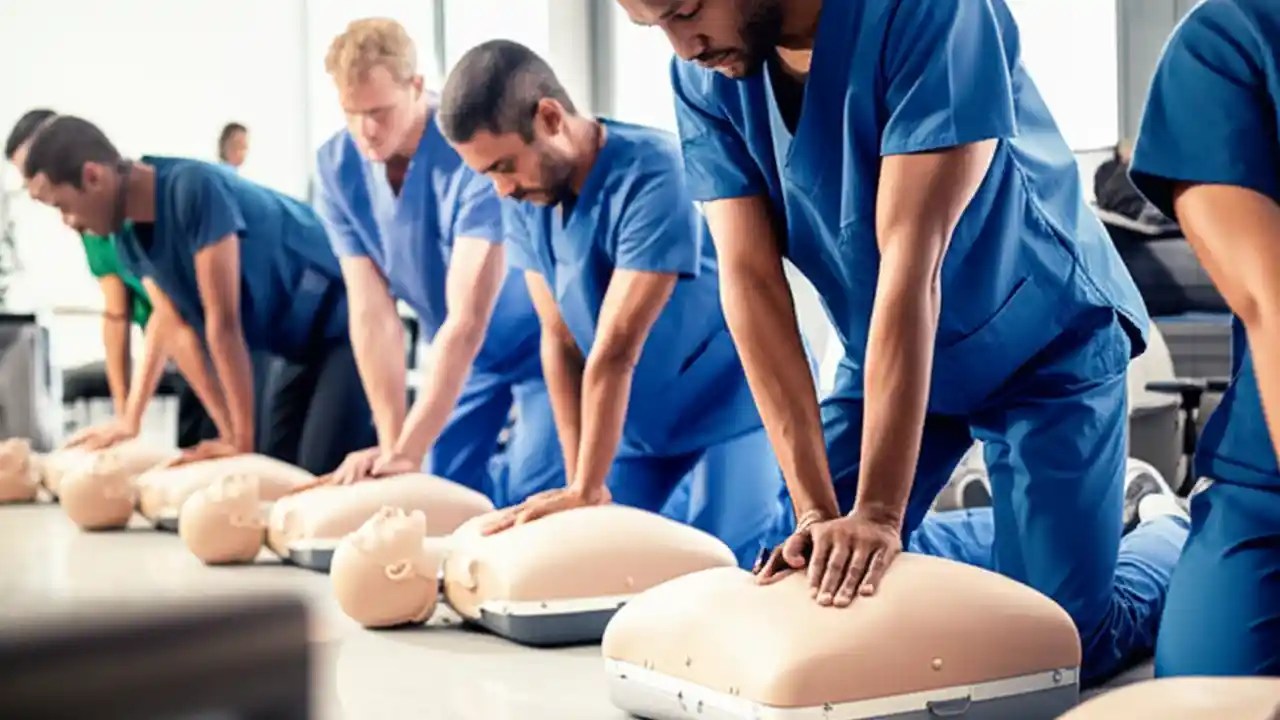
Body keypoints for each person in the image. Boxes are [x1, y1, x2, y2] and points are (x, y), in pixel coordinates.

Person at [619, 0, 1188, 684]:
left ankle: (1163, 527)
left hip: (1043, 347)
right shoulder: (707, 76)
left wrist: (880, 514)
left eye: (686, 11)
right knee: (796, 578)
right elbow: (751, 283)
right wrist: (815, 510)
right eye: (655, 27)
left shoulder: (931, 12)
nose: (683, 46)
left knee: (1057, 646)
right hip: (884, 355)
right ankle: (1013, 535)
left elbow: (911, 262)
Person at [438, 40, 790, 566]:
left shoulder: (654, 171)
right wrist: (579, 480)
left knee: (725, 560)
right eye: (488, 173)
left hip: (736, 402)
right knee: (589, 558)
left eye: (506, 165)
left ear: (550, 118)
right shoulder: (526, 197)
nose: (502, 188)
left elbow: (617, 344)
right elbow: (559, 341)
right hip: (641, 425)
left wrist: (585, 487)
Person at [21, 115, 375, 474]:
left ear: (93, 177)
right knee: (275, 469)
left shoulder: (193, 189)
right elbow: (171, 328)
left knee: (316, 471)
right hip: (296, 347)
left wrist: (240, 442)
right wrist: (133, 420)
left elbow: (224, 324)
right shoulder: (128, 241)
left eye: (63, 207)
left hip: (350, 319)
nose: (69, 222)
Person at [313, 19, 561, 506]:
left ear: (417, 86)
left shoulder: (471, 146)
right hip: (465, 361)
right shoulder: (337, 166)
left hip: (539, 346)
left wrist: (407, 449)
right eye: (352, 113)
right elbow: (372, 316)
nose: (366, 130)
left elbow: (468, 318)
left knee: (533, 490)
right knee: (439, 488)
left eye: (380, 112)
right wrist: (393, 448)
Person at [1129, 0, 1280, 677]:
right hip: (1265, 476)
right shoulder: (1231, 40)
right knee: (1200, 691)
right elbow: (1271, 303)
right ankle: (1161, 533)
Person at [4, 109, 222, 449]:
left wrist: (132, 416)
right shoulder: (92, 226)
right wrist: (124, 416)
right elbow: (117, 315)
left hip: (213, 343)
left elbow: (170, 317)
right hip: (180, 352)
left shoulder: (132, 210)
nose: (35, 187)